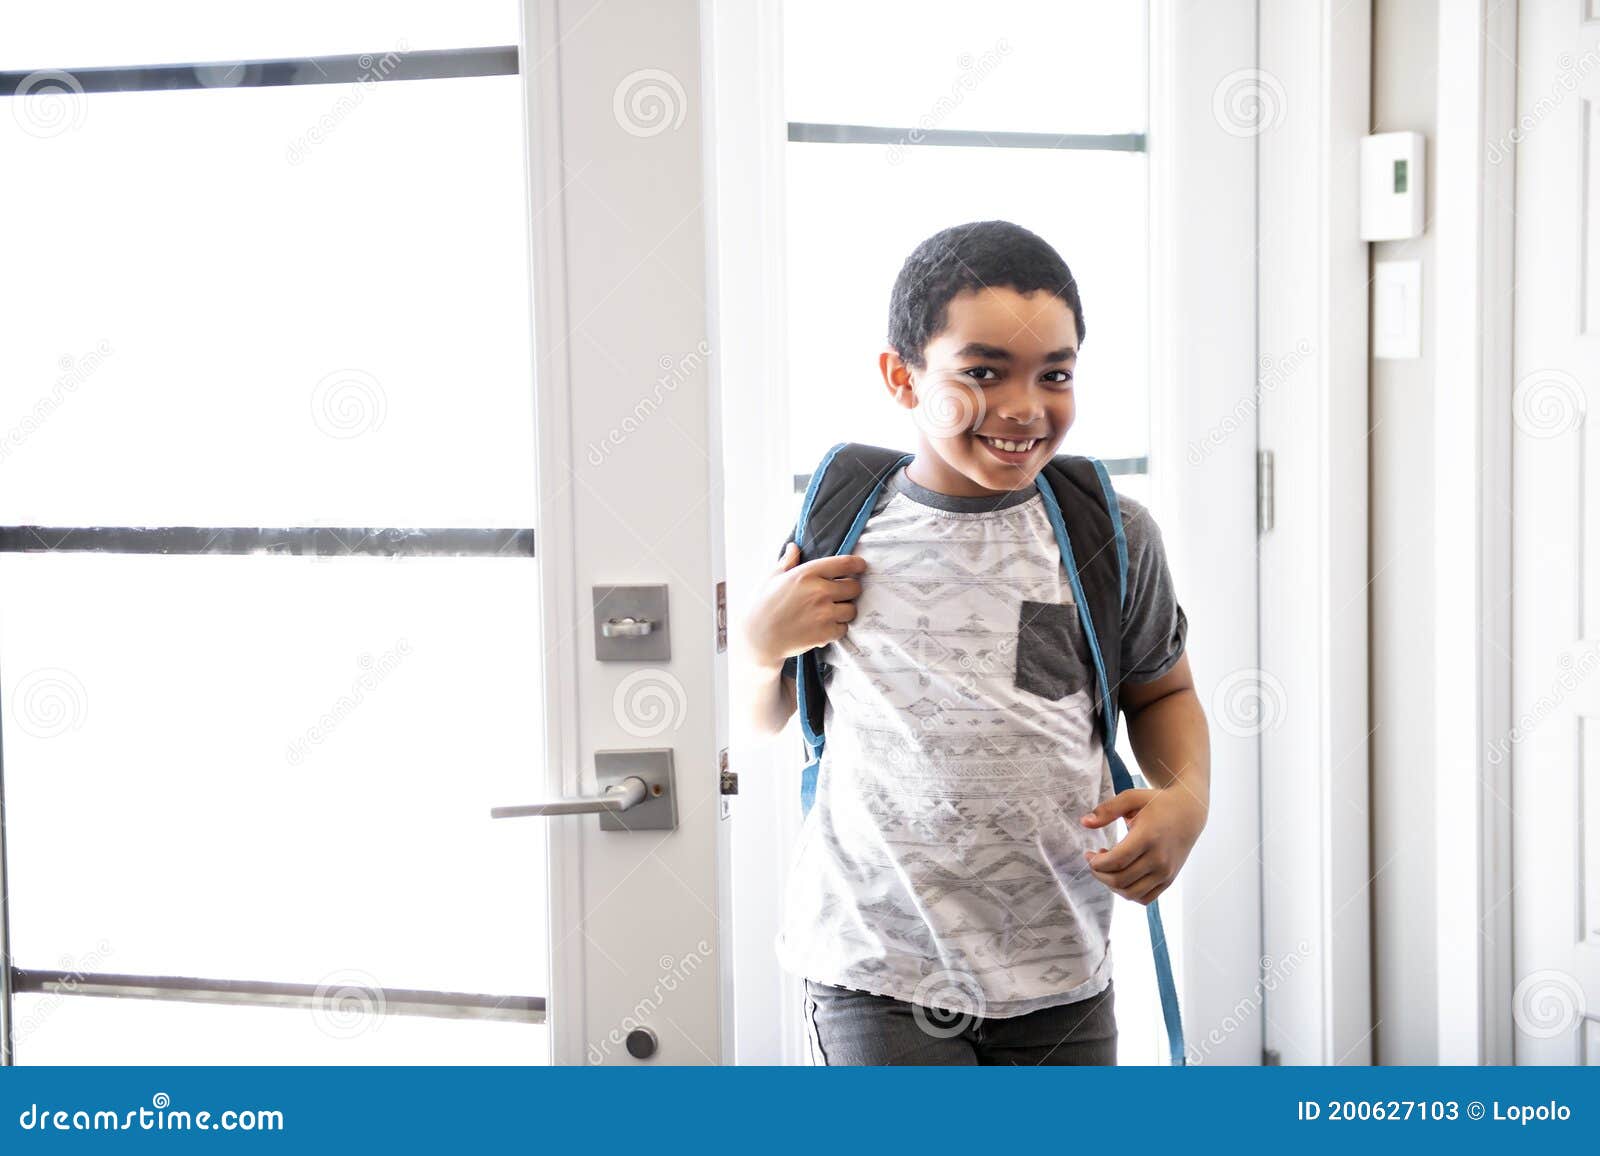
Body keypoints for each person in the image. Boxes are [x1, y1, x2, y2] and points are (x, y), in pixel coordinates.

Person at [737, 220, 1211, 1065]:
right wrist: (761, 643)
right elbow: (770, 716)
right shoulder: (841, 530)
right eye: (983, 372)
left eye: (1054, 373)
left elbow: (1163, 692)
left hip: (1062, 975)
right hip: (876, 972)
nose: (1024, 407)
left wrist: (1187, 800)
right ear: (903, 377)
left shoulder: (1110, 536)